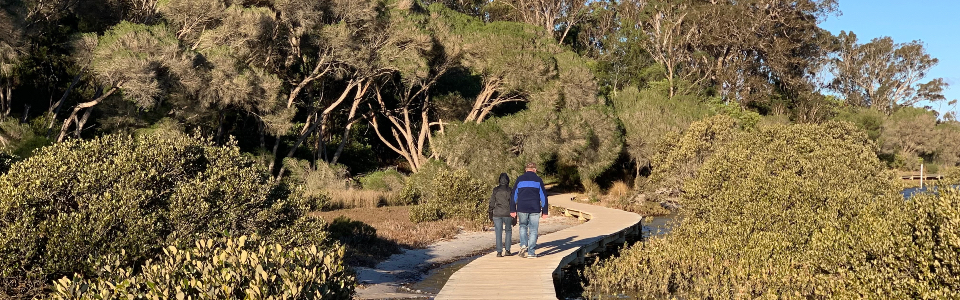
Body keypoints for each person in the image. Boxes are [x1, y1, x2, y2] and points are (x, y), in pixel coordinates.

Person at [510, 162, 548, 258]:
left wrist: (512, 209)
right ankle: (531, 252)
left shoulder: (519, 179)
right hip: (535, 208)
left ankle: (523, 244)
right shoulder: (538, 180)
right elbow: (543, 197)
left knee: (523, 226)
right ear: (535, 170)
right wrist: (545, 211)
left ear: (525, 170)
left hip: (522, 207)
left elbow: (514, 195)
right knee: (533, 230)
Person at [488, 173, 515, 257]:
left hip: (497, 213)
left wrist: (490, 212)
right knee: (508, 231)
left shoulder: (495, 190)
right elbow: (513, 203)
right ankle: (507, 250)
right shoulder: (510, 190)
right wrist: (515, 215)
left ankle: (499, 252)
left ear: (499, 180)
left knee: (498, 232)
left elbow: (492, 202)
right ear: (508, 180)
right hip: (507, 213)